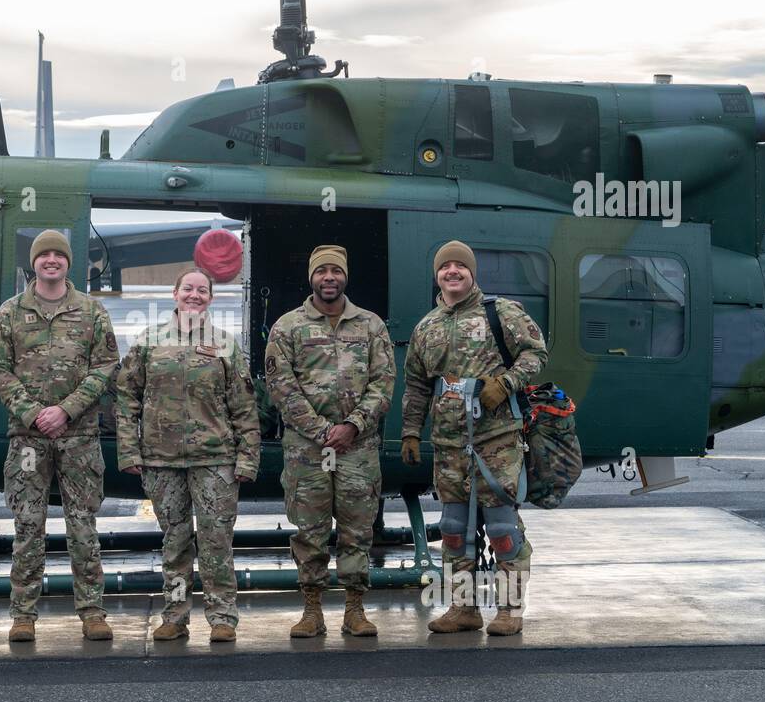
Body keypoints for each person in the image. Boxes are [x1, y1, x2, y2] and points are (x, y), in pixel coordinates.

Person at [400, 240, 548, 636]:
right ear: (437, 275)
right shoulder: (426, 327)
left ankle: (509, 610)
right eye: (445, 267)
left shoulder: (501, 313)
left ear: (471, 272)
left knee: (502, 529)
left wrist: (506, 382)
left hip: (496, 440)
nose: (453, 272)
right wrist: (411, 432)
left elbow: (536, 354)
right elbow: (416, 386)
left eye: (460, 267)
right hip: (449, 445)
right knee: (453, 529)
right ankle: (463, 609)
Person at [0, 230, 119, 643]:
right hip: (28, 439)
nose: (50, 261)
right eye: (43, 255)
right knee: (28, 525)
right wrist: (32, 413)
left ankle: (92, 611)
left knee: (83, 524)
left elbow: (105, 366)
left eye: (57, 255)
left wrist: (66, 410)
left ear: (67, 263)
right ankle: (23, 614)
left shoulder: (91, 311)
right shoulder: (10, 313)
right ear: (34, 263)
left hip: (78, 437)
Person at [117, 267, 260, 642]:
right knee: (175, 541)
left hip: (215, 460)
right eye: (188, 289)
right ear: (175, 293)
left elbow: (244, 407)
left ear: (211, 298)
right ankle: (174, 617)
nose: (194, 295)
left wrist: (247, 458)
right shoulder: (148, 342)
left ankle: (223, 618)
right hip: (161, 460)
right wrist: (129, 450)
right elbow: (127, 399)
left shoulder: (225, 344)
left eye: (202, 290)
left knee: (216, 541)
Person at [265, 246, 396, 638]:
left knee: (358, 530)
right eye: (321, 271)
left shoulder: (371, 326)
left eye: (335, 272)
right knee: (310, 530)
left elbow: (384, 382)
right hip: (307, 449)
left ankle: (355, 609)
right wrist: (323, 431)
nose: (329, 278)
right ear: (311, 278)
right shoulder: (288, 327)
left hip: (358, 447)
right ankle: (312, 610)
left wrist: (353, 425)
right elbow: (281, 388)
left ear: (345, 277)